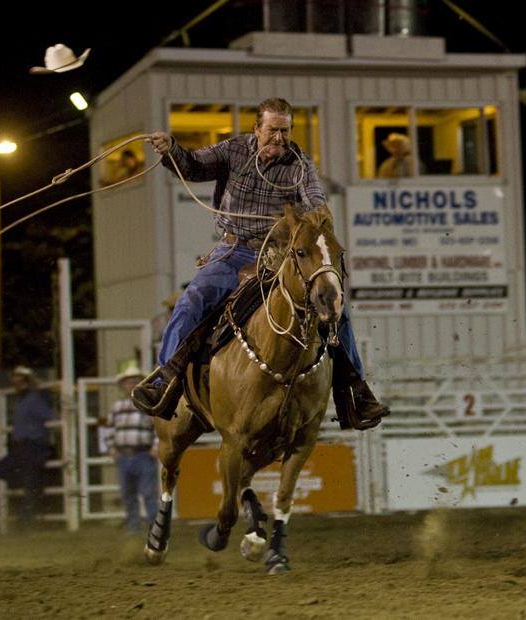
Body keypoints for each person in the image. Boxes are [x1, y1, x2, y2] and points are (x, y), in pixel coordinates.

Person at [131, 97, 388, 431]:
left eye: (285, 131)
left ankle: (355, 392)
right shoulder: (233, 150)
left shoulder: (299, 164)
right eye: (273, 130)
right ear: (257, 129)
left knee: (334, 307)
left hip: (278, 255)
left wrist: (317, 214)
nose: (279, 138)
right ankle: (164, 381)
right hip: (233, 250)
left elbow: (315, 199)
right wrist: (171, 150)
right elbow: (193, 166)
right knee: (192, 301)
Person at [0, 366, 54, 524]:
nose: (16, 384)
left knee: (14, 475)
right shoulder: (27, 400)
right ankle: (27, 515)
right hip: (26, 445)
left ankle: (25, 519)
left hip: (32, 445)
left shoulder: (32, 400)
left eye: (20, 381)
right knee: (23, 479)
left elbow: (49, 415)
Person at [104, 363, 159, 534]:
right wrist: (112, 448)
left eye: (135, 381)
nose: (131, 385)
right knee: (128, 494)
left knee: (148, 494)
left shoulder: (149, 404)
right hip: (124, 455)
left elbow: (159, 428)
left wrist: (155, 446)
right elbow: (109, 429)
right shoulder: (117, 406)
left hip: (143, 454)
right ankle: (133, 526)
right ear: (123, 386)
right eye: (128, 382)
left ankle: (154, 529)